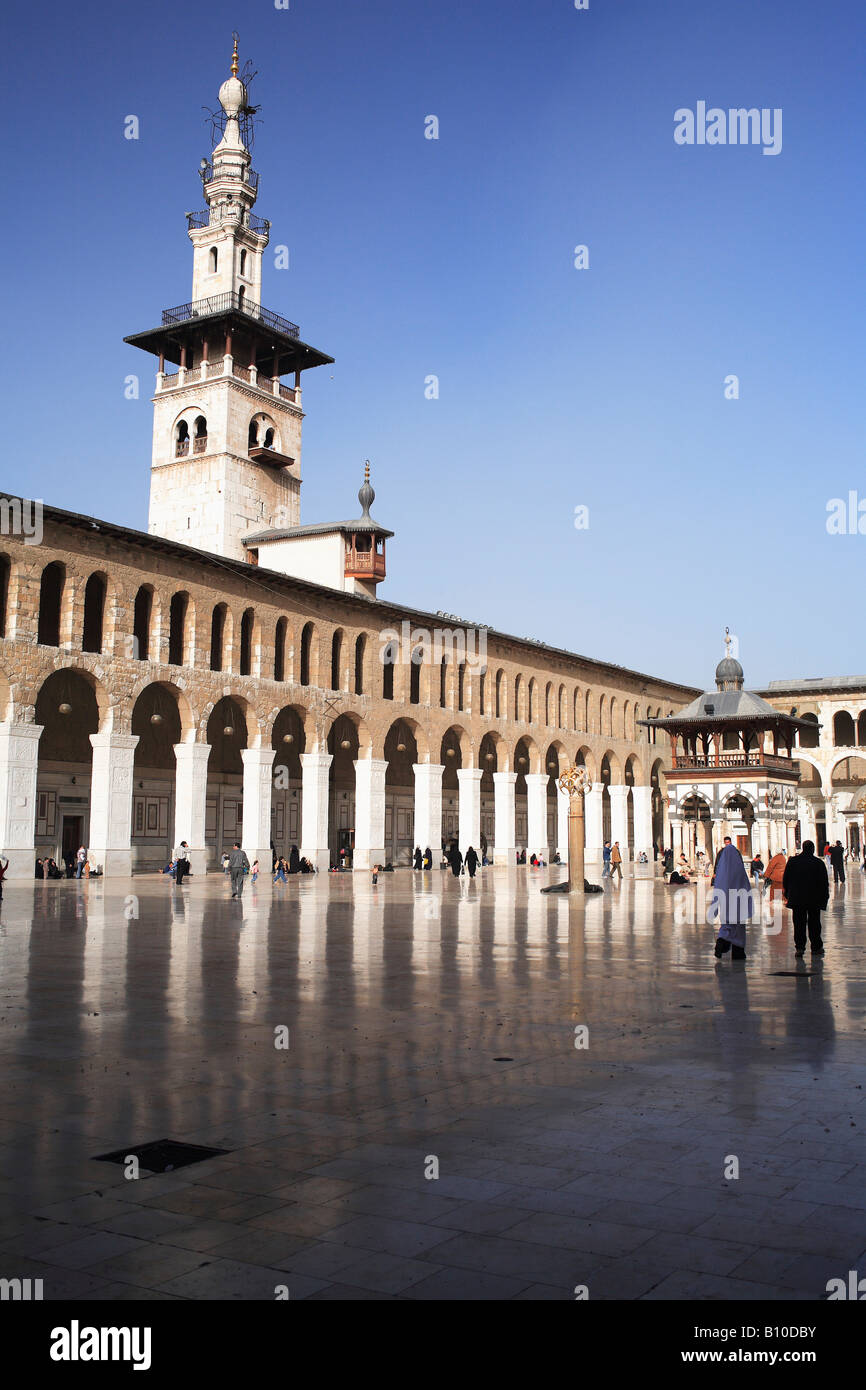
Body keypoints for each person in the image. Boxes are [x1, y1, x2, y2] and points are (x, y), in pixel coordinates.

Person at [783, 840, 829, 957]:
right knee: (814, 923)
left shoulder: (793, 862)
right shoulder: (818, 863)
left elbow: (786, 879)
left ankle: (800, 947)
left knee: (799, 924)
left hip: (797, 899)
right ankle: (816, 947)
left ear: (803, 848)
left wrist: (787, 894)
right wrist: (824, 898)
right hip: (813, 899)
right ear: (813, 849)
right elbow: (824, 883)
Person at [712, 841, 754, 961]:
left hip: (726, 903)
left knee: (727, 925)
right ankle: (738, 953)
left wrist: (715, 907)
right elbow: (746, 887)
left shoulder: (721, 873)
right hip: (739, 903)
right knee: (739, 928)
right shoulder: (740, 870)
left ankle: (721, 943)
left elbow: (717, 889)